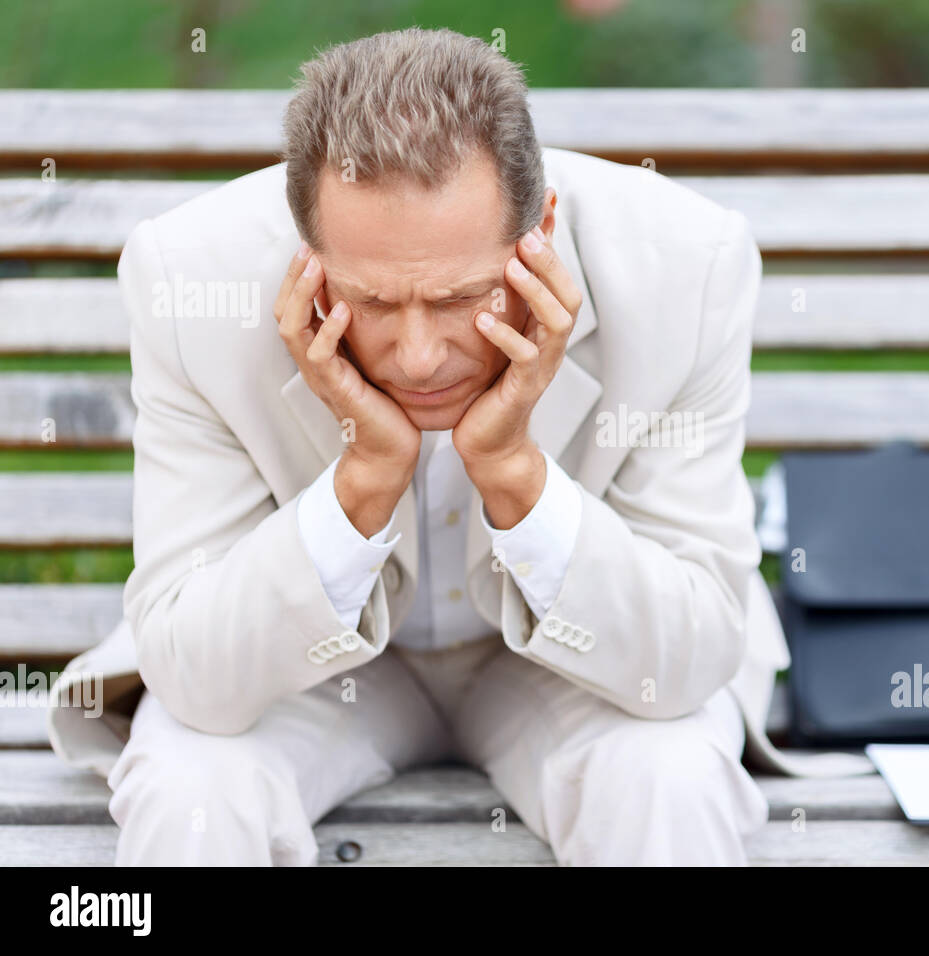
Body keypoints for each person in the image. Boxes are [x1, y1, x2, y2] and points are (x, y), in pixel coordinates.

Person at [46, 26, 872, 867]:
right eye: (371, 299)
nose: (418, 355)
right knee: (190, 783)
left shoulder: (686, 267)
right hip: (312, 669)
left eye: (460, 297)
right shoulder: (190, 278)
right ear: (309, 255)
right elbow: (196, 680)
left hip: (571, 665)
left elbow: (688, 661)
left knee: (669, 774)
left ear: (540, 230)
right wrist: (361, 480)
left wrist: (515, 473)